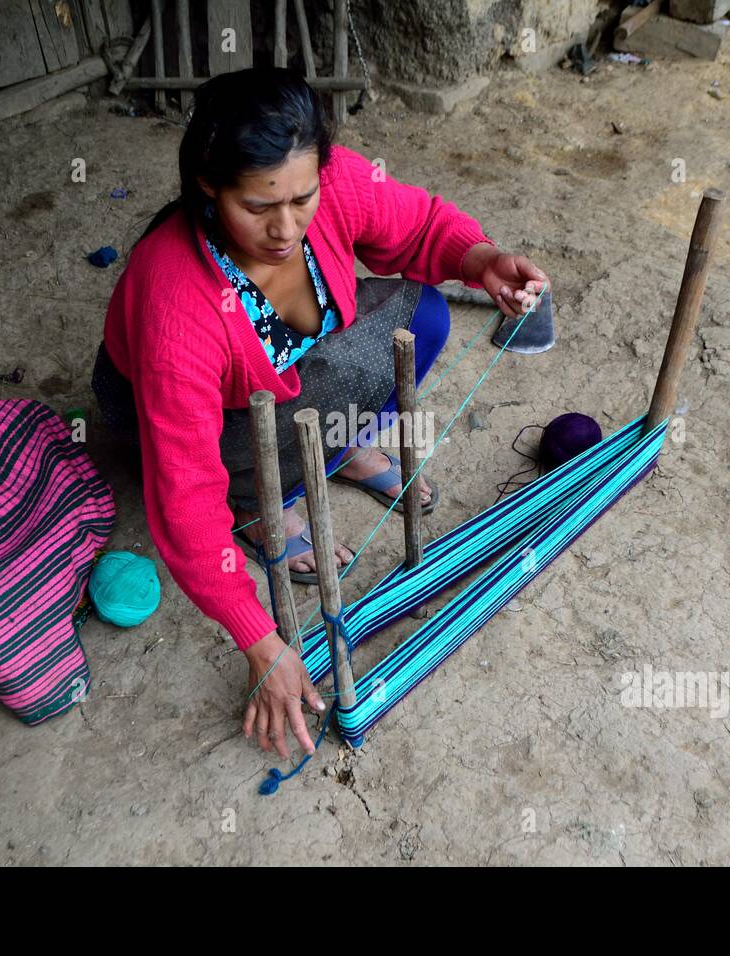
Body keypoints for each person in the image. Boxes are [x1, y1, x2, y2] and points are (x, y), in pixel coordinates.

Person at [93, 67, 547, 761]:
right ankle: (260, 495)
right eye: (258, 207)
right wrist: (261, 641)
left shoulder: (328, 185)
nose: (285, 228)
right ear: (208, 186)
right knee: (244, 459)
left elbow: (421, 225)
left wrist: (478, 257)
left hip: (281, 370)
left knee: (420, 317)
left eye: (301, 200)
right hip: (173, 405)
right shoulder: (176, 301)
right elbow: (183, 491)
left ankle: (336, 447)